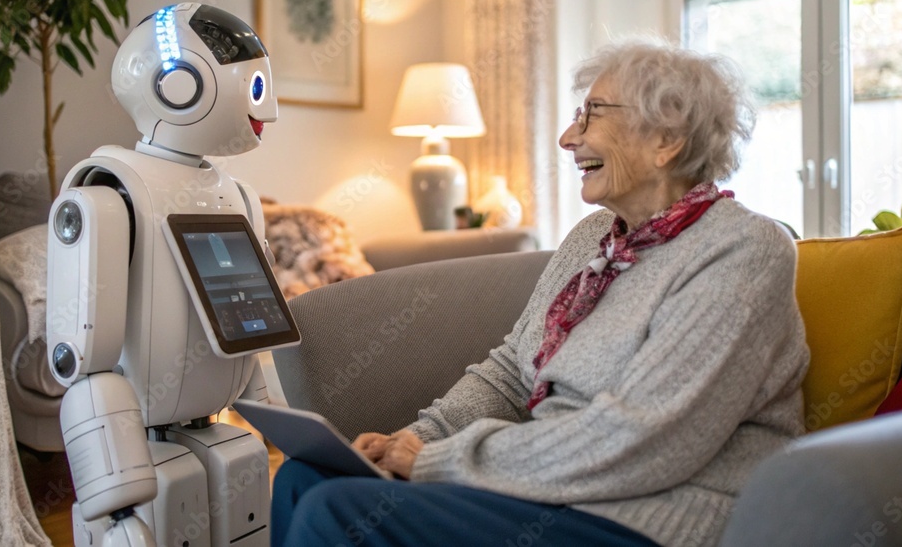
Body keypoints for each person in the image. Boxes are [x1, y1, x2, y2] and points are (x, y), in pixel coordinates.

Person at [271, 38, 810, 547]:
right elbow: (511, 373)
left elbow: (644, 440)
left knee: (335, 510)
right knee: (302, 476)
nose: (568, 138)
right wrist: (409, 442)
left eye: (592, 113)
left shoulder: (744, 249)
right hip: (548, 488)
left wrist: (438, 461)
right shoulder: (591, 239)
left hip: (652, 515)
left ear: (666, 139)